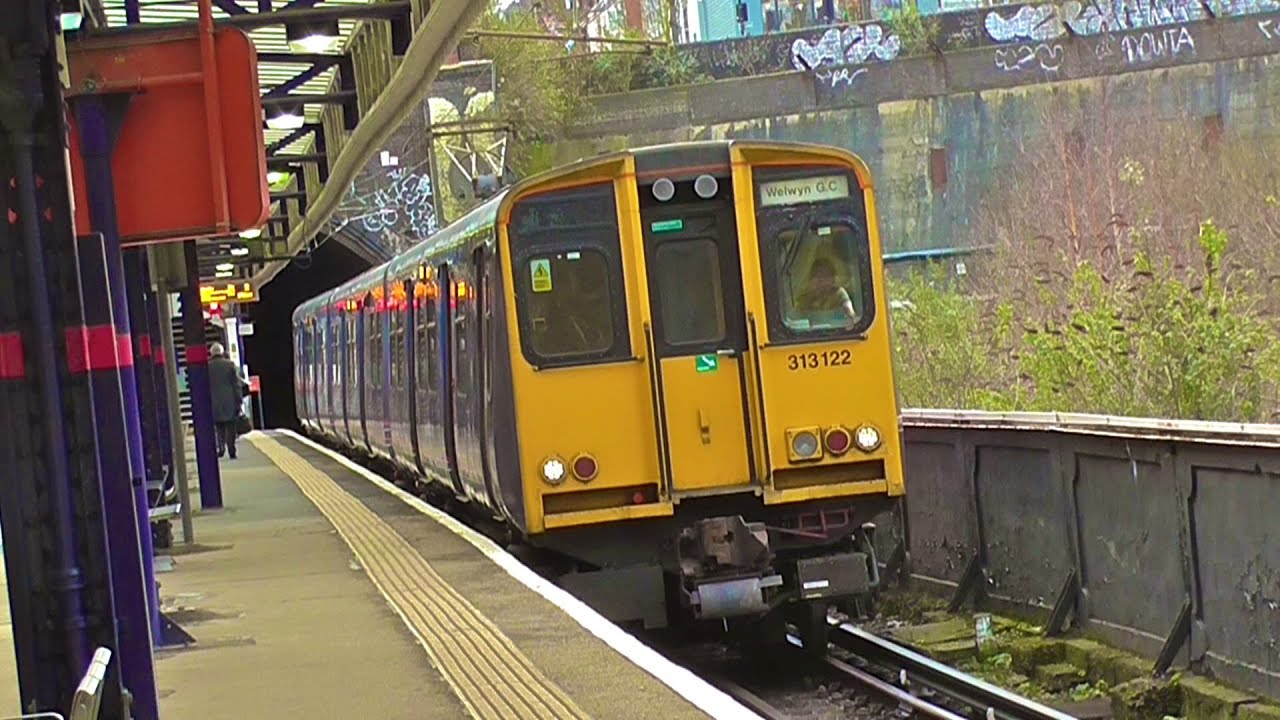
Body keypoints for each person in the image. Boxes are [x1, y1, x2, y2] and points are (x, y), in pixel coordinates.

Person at [208, 342, 248, 460]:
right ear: (222, 352)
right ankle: (231, 450)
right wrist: (239, 400)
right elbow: (236, 385)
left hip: (214, 402)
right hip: (230, 401)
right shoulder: (230, 365)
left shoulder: (207, 367)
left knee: (219, 427)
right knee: (231, 427)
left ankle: (221, 448)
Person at [792, 257, 858, 329]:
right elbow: (795, 320)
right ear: (811, 279)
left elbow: (850, 312)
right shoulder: (804, 299)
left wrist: (849, 317)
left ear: (833, 280)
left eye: (826, 276)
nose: (821, 281)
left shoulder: (839, 294)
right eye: (817, 276)